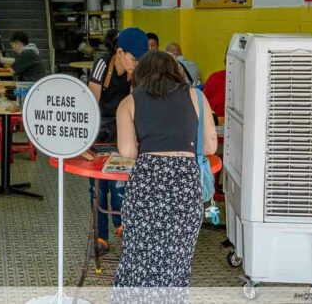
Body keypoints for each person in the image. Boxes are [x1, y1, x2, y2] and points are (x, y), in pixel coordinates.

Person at [113, 51, 218, 295]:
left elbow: (127, 151)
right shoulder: (197, 96)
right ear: (176, 72)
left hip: (147, 183)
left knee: (138, 257)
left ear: (141, 74)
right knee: (177, 260)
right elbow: (210, 146)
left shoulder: (129, 102)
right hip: (185, 185)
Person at [85, 29, 139, 251]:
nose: (136, 64)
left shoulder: (135, 71)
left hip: (121, 131)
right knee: (98, 187)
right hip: (98, 131)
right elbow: (90, 104)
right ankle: (100, 236)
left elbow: (135, 104)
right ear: (119, 53)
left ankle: (122, 225)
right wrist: (85, 141)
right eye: (133, 59)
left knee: (120, 182)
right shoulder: (102, 65)